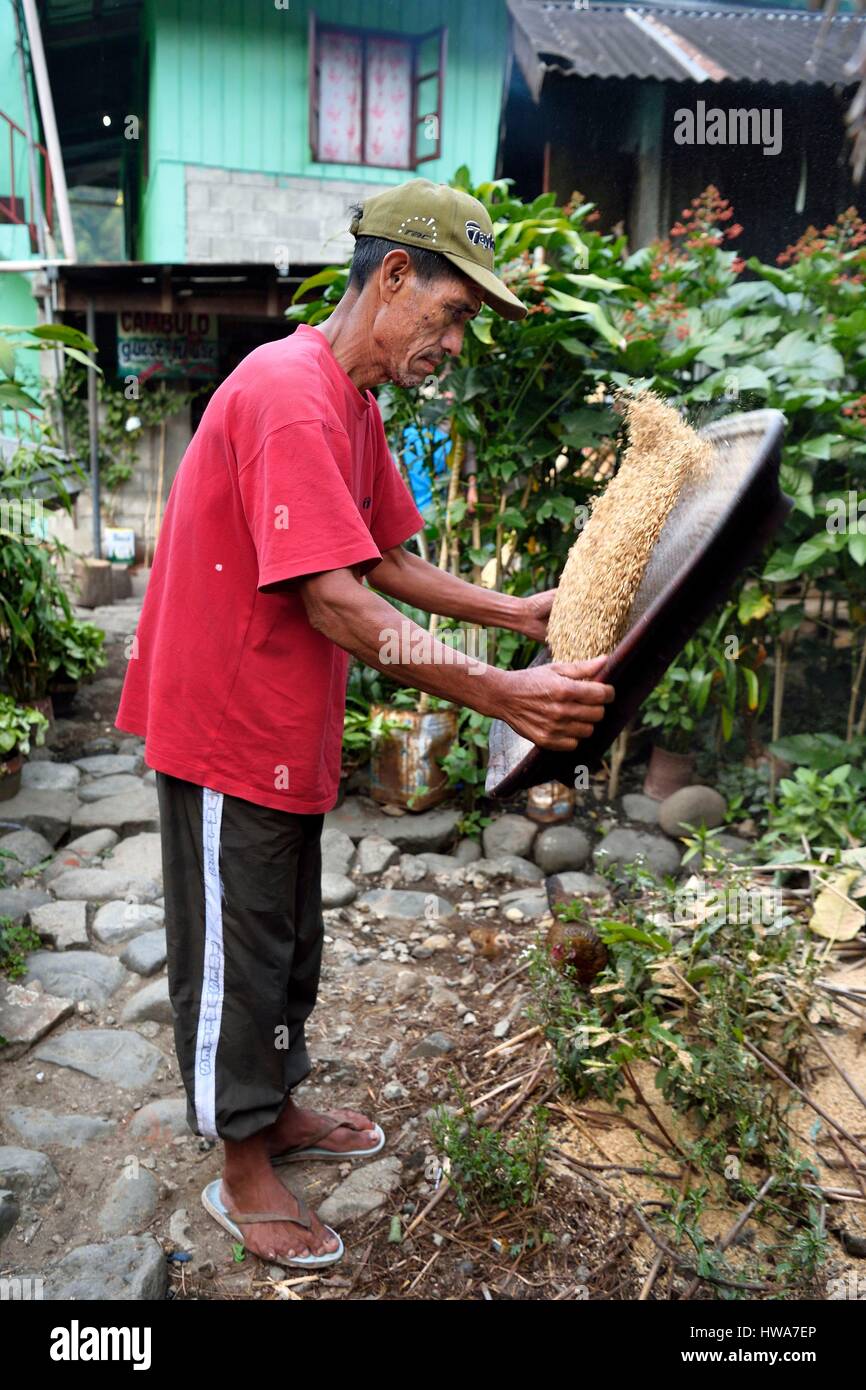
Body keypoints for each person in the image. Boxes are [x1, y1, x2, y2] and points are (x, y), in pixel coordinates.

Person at [114, 178, 614, 1270]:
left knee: (291, 941)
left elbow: (380, 556)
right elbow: (335, 600)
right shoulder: (288, 390)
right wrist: (503, 690)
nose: (451, 340)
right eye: (449, 312)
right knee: (237, 956)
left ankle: (277, 1104)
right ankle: (240, 1163)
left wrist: (511, 614)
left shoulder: (347, 401)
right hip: (224, 723)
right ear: (393, 275)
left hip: (285, 724)